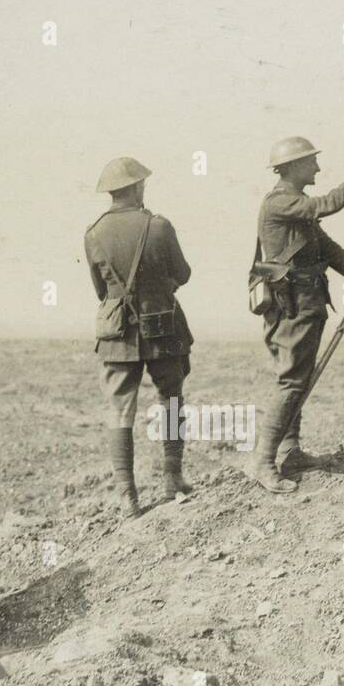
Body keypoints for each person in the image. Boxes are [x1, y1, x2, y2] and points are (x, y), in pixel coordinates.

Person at [248, 135, 344, 493]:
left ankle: (289, 450)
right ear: (291, 167)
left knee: (298, 377)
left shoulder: (296, 209)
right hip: (291, 306)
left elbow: (327, 249)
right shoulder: (281, 203)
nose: (318, 167)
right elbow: (329, 204)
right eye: (311, 162)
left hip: (304, 305)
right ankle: (262, 461)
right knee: (291, 381)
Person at [85, 156, 194, 516]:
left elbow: (102, 290)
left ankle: (126, 498)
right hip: (162, 326)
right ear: (134, 188)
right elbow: (184, 272)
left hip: (116, 332)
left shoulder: (93, 233)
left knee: (120, 412)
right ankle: (172, 479)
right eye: (142, 183)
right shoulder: (159, 226)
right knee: (172, 400)